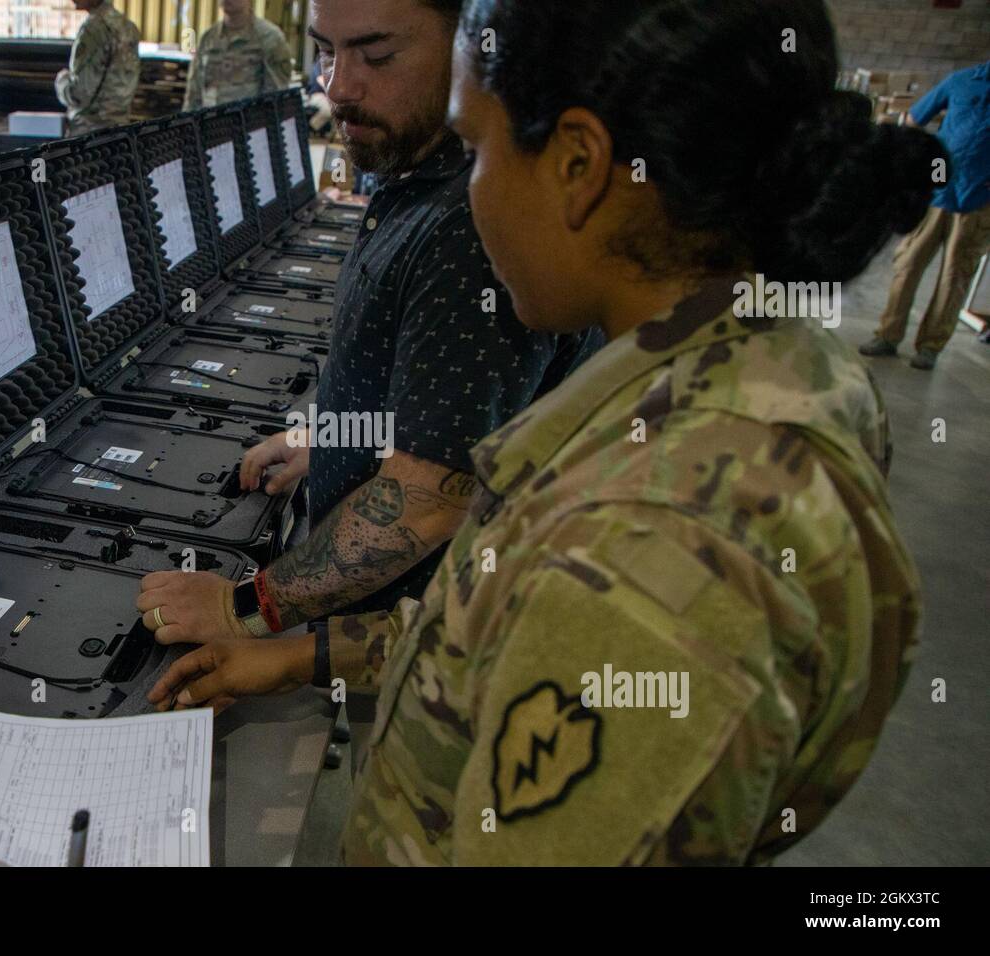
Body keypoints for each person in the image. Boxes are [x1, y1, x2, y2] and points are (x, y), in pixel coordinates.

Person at [146, 0, 942, 866]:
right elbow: (492, 631)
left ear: (578, 166)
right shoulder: (748, 368)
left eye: (480, 150)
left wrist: (258, 613)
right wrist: (307, 654)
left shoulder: (641, 555)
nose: (471, 191)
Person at [138, 0, 595, 652]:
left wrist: (243, 608)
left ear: (471, 45)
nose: (338, 86)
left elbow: (430, 499)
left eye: (377, 56)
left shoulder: (471, 222)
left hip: (410, 650)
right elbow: (423, 396)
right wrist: (334, 444)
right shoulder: (412, 163)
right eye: (326, 50)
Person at [862, 60, 990, 370]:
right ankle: (888, 335)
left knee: (955, 275)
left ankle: (930, 346)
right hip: (938, 193)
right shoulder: (961, 81)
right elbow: (914, 119)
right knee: (908, 263)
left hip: (980, 201)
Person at [183, 0, 294, 110]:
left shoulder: (270, 38)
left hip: (249, 123)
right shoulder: (209, 38)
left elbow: (275, 96)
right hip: (210, 123)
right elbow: (194, 92)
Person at [55, 0, 141, 135]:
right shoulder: (128, 27)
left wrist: (62, 82)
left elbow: (80, 94)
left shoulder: (93, 29)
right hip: (119, 131)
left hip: (89, 134)